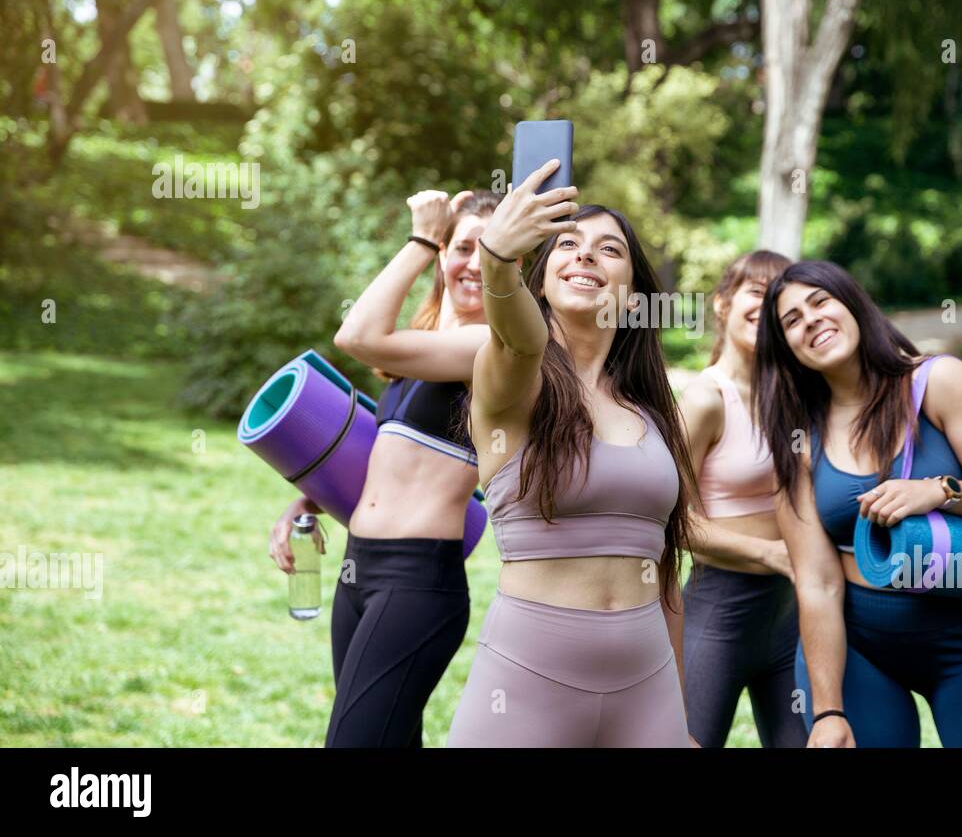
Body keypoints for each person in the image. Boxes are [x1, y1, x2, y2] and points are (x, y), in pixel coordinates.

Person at [754, 259, 962, 748]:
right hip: (861, 648)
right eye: (791, 321)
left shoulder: (938, 381)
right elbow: (816, 581)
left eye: (820, 302)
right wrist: (829, 710)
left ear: (852, 304)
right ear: (786, 349)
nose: (810, 320)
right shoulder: (796, 443)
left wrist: (938, 490)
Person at [445, 159, 699, 747]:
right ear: (540, 280)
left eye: (609, 249)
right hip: (526, 685)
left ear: (632, 294)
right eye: (567, 244)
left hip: (648, 690)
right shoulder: (511, 376)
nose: (585, 255)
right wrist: (496, 259)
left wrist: (679, 716)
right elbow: (521, 337)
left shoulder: (651, 410)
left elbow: (664, 572)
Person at [268, 188, 501, 747]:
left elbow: (355, 335)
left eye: (494, 253)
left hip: (417, 581)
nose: (474, 263)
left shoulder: (488, 348)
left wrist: (422, 237)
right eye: (464, 246)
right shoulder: (420, 350)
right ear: (448, 254)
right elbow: (389, 461)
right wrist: (308, 500)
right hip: (360, 570)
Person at [676, 250, 807, 747]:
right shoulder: (705, 399)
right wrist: (771, 553)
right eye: (756, 291)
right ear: (723, 304)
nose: (768, 305)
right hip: (719, 611)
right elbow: (675, 523)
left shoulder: (791, 395)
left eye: (780, 298)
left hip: (788, 614)